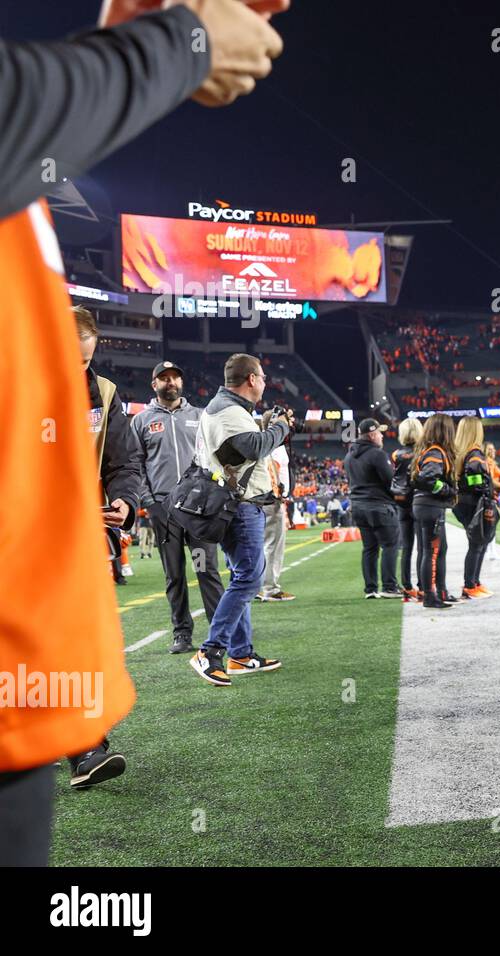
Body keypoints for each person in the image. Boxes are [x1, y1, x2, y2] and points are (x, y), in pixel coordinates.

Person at [0, 0, 286, 863]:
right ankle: (214, 650)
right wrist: (176, 44)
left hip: (41, 625)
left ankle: (202, 656)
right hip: (196, 508)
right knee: (225, 578)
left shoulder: (112, 396)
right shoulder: (219, 410)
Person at [71, 306, 145, 787]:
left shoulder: (104, 395)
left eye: (86, 349)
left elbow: (124, 458)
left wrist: (124, 499)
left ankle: (86, 749)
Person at [190, 353, 291, 685]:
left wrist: (266, 425)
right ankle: (210, 651)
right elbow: (254, 446)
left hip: (237, 504)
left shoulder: (228, 409)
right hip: (240, 506)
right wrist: (279, 427)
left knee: (242, 576)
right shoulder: (227, 409)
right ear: (251, 379)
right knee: (249, 578)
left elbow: (238, 448)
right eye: (262, 377)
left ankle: (241, 653)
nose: (264, 383)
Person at [131, 359, 227, 652]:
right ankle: (182, 633)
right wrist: (150, 503)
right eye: (164, 378)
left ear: (181, 383)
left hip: (197, 511)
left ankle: (222, 633)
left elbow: (215, 457)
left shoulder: (200, 416)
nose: (170, 382)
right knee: (174, 575)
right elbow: (135, 466)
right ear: (154, 384)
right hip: (164, 510)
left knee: (206, 569)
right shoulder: (142, 421)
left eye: (174, 378)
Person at [344, 419, 404, 599]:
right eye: (379, 432)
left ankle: (370, 588)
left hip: (359, 507)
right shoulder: (377, 454)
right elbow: (390, 482)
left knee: (369, 548)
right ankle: (389, 586)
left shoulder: (349, 455)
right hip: (380, 507)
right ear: (371, 435)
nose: (382, 435)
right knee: (390, 545)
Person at [411, 414, 459, 608]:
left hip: (427, 505)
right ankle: (431, 596)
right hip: (430, 506)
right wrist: (448, 490)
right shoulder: (435, 452)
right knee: (432, 552)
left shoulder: (430, 451)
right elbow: (428, 479)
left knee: (437, 550)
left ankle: (440, 591)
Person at [452, 415, 497, 600]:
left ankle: (474, 582)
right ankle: (470, 585)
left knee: (479, 543)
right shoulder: (475, 454)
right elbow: (475, 479)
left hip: (463, 502)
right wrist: (486, 497)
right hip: (474, 503)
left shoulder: (460, 452)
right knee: (477, 543)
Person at [258, 419, 294, 602]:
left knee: (261, 545)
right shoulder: (276, 447)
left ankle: (258, 587)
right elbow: (273, 470)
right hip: (272, 500)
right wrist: (278, 495)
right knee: (273, 546)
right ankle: (270, 588)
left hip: (262, 501)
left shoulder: (264, 442)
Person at [392, 418, 422, 600]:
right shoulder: (423, 453)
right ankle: (422, 584)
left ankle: (406, 586)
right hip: (418, 500)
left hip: (402, 503)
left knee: (407, 548)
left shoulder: (396, 455)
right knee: (423, 547)